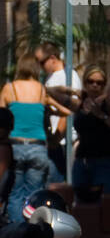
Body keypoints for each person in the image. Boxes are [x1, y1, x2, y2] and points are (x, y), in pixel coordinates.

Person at [0, 54, 60, 220]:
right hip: (38, 147)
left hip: (15, 146)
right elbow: (64, 111)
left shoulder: (9, 89)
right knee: (34, 195)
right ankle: (32, 232)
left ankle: (16, 233)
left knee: (15, 193)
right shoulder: (41, 89)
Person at [50, 63, 110, 201]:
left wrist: (101, 115)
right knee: (81, 204)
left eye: (99, 83)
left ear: (104, 85)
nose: (95, 85)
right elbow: (50, 91)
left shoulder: (106, 104)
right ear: (85, 83)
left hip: (103, 162)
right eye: (91, 81)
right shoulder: (80, 104)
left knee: (103, 204)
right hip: (82, 162)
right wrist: (73, 91)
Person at [36, 41, 81, 176]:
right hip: (54, 141)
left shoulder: (67, 76)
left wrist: (55, 139)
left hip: (63, 142)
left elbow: (69, 111)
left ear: (52, 58)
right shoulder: (51, 76)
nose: (39, 66)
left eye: (41, 62)